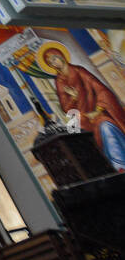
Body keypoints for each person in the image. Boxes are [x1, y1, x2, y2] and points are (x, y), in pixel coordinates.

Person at [38, 41, 125, 171]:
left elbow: (101, 90)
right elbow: (66, 108)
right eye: (51, 63)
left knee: (105, 126)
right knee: (86, 140)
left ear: (61, 55)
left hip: (98, 111)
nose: (54, 63)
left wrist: (98, 110)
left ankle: (120, 164)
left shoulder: (78, 70)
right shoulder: (59, 81)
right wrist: (73, 98)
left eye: (54, 58)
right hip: (83, 118)